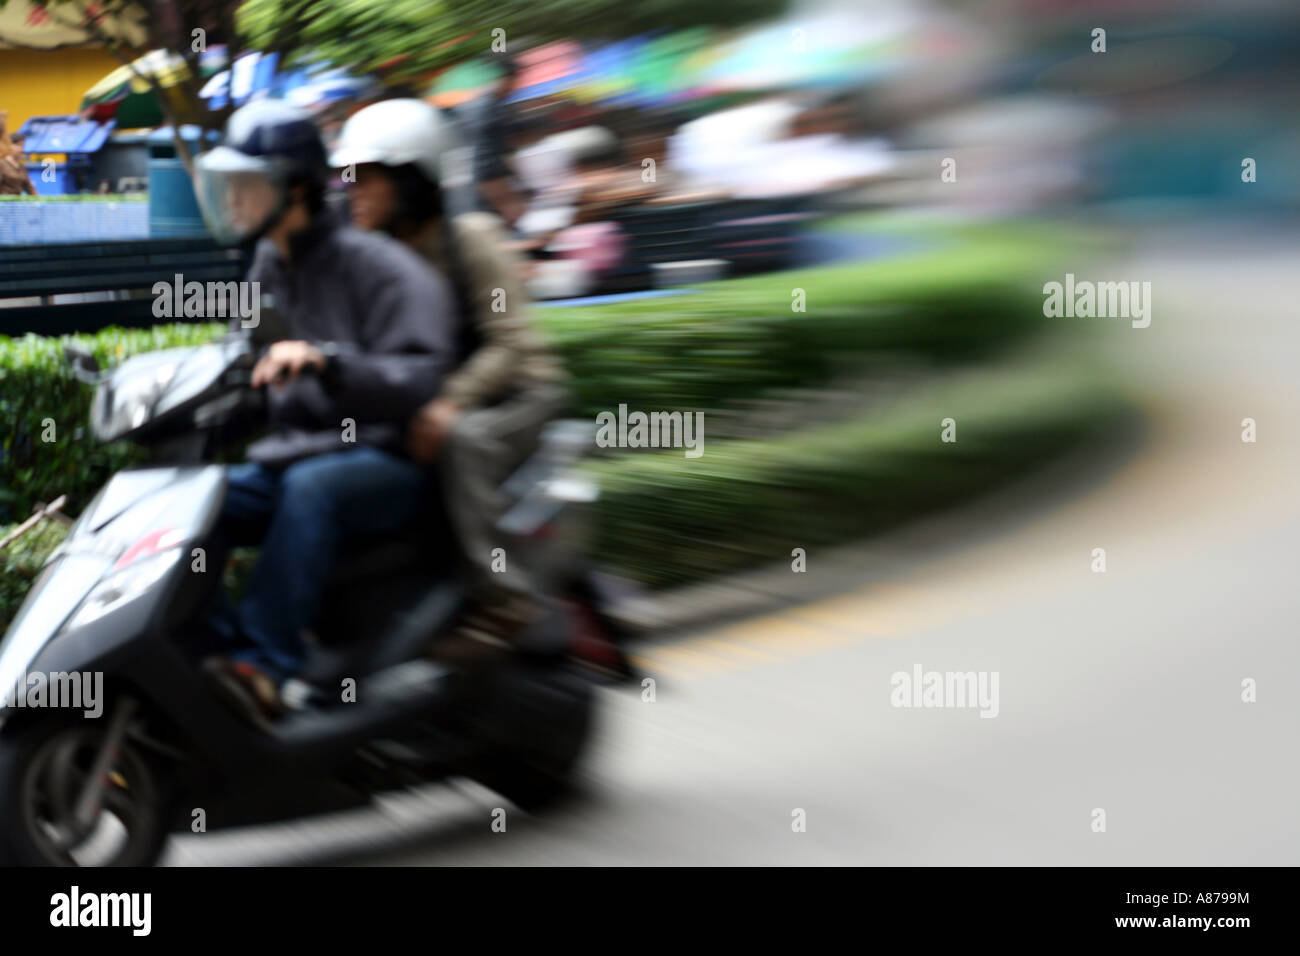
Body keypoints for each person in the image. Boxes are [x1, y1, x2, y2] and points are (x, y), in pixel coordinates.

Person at [193, 100, 460, 723]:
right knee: (197, 502)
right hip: (294, 456)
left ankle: (266, 665)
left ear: (294, 187)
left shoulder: (378, 265)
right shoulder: (265, 266)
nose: (231, 198)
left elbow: (421, 374)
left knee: (313, 489)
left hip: (383, 460)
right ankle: (207, 655)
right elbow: (243, 363)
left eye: (246, 184)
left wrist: (330, 361)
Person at [329, 97, 568, 662]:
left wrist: (448, 405)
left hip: (521, 393)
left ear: (413, 180)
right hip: (447, 399)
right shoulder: (373, 257)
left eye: (368, 179)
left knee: (465, 441)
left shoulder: (472, 240)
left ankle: (504, 601)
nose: (353, 192)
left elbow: (510, 343)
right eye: (350, 179)